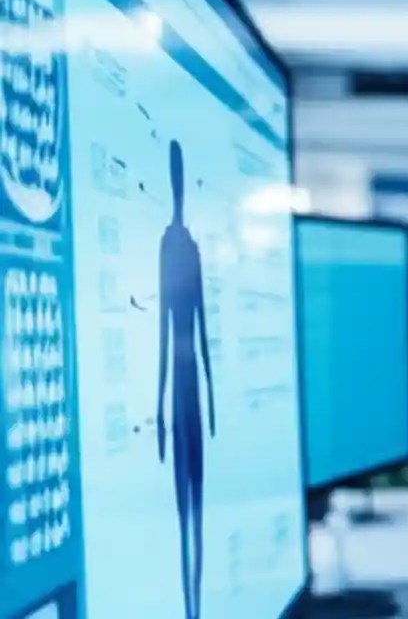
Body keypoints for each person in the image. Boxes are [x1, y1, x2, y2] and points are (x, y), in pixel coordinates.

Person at [156, 139, 215, 619]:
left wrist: (212, 401)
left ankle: (195, 598)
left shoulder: (187, 245)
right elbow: (162, 333)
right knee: (183, 503)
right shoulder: (174, 244)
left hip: (189, 385)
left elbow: (206, 333)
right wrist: (158, 409)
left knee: (196, 497)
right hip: (182, 386)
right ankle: (189, 604)